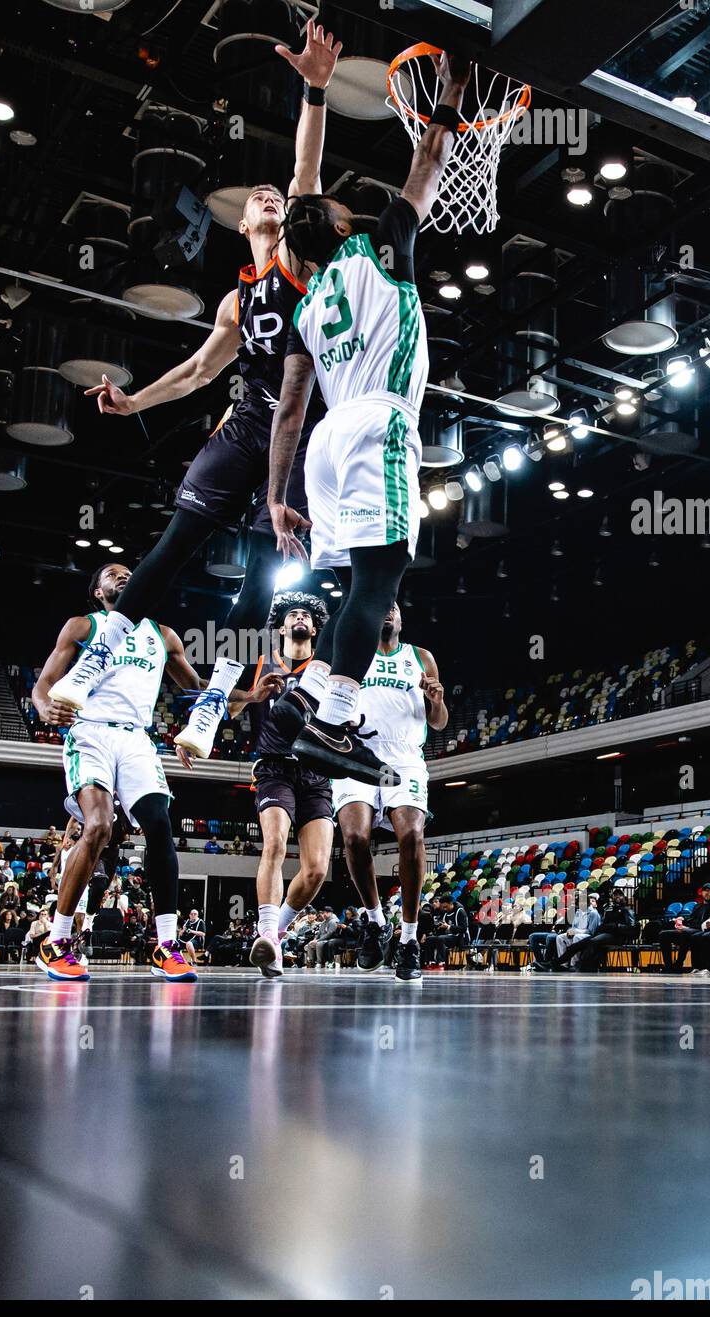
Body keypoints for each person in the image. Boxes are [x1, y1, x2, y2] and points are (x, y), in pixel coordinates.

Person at [54, 25, 343, 761]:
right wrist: (132, 403)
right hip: (246, 425)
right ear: (241, 225)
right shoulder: (234, 301)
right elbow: (196, 373)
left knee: (259, 578)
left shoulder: (300, 258)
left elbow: (305, 166)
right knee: (177, 540)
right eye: (256, 199)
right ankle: (98, 661)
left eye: (273, 195)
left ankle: (213, 704)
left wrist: (313, 87)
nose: (268, 195)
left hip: (306, 438)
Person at [265, 51, 472, 785]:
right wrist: (448, 95)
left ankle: (311, 697)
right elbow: (430, 154)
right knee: (378, 585)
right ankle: (332, 722)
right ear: (337, 221)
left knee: (361, 586)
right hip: (376, 424)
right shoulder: (381, 243)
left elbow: (289, 406)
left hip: (323, 442)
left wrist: (275, 493)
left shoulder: (305, 301)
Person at [32, 562, 279, 982]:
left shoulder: (162, 636)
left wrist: (249, 695)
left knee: (161, 826)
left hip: (137, 739)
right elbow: (44, 683)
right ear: (97, 591)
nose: (122, 576)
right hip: (89, 731)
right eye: (110, 573)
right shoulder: (83, 626)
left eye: (129, 571)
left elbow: (197, 686)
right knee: (97, 827)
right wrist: (43, 707)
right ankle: (56, 939)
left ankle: (166, 944)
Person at [335, 605, 447, 984]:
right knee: (353, 837)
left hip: (404, 756)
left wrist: (436, 699)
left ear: (401, 620)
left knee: (412, 835)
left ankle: (410, 940)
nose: (386, 611)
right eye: (379, 604)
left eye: (393, 608)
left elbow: (439, 721)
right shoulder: (352, 651)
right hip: (358, 752)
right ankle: (375, 920)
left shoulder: (421, 657)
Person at [241, 592, 334, 979]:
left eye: (307, 616)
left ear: (314, 628)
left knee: (316, 869)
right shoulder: (262, 661)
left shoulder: (329, 669)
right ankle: (264, 930)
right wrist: (253, 695)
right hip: (275, 767)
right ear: (280, 627)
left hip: (316, 771)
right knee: (276, 844)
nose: (299, 618)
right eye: (292, 614)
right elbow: (228, 706)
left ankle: (274, 937)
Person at [564, 888, 636, 972]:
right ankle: (557, 962)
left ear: (623, 897)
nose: (617, 897)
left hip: (618, 937)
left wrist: (616, 926)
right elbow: (603, 924)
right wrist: (604, 927)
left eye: (619, 895)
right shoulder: (609, 910)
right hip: (606, 934)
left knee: (593, 941)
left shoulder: (627, 910)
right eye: (615, 895)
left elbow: (632, 928)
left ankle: (580, 964)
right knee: (581, 943)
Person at [530, 892, 601, 971]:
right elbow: (574, 926)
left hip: (587, 935)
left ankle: (574, 964)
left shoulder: (593, 913)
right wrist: (570, 931)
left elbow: (591, 931)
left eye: (583, 901)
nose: (581, 903)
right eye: (580, 901)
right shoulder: (578, 912)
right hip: (576, 933)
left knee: (576, 937)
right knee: (560, 937)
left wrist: (575, 931)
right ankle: (563, 964)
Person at [658, 882, 710, 973]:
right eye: (705, 891)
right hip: (690, 930)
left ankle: (678, 964)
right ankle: (669, 966)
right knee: (663, 934)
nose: (707, 893)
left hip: (702, 932)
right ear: (701, 893)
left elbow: (707, 924)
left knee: (686, 933)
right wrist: (681, 920)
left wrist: (686, 928)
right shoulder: (697, 906)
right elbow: (691, 919)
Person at [419, 892, 470, 970]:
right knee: (430, 939)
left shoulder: (460, 911)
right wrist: (438, 928)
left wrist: (449, 927)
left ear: (451, 903)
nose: (445, 909)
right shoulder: (445, 913)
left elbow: (463, 928)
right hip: (448, 936)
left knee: (441, 939)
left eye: (446, 907)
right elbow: (442, 929)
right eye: (443, 907)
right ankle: (430, 962)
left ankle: (441, 962)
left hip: (459, 937)